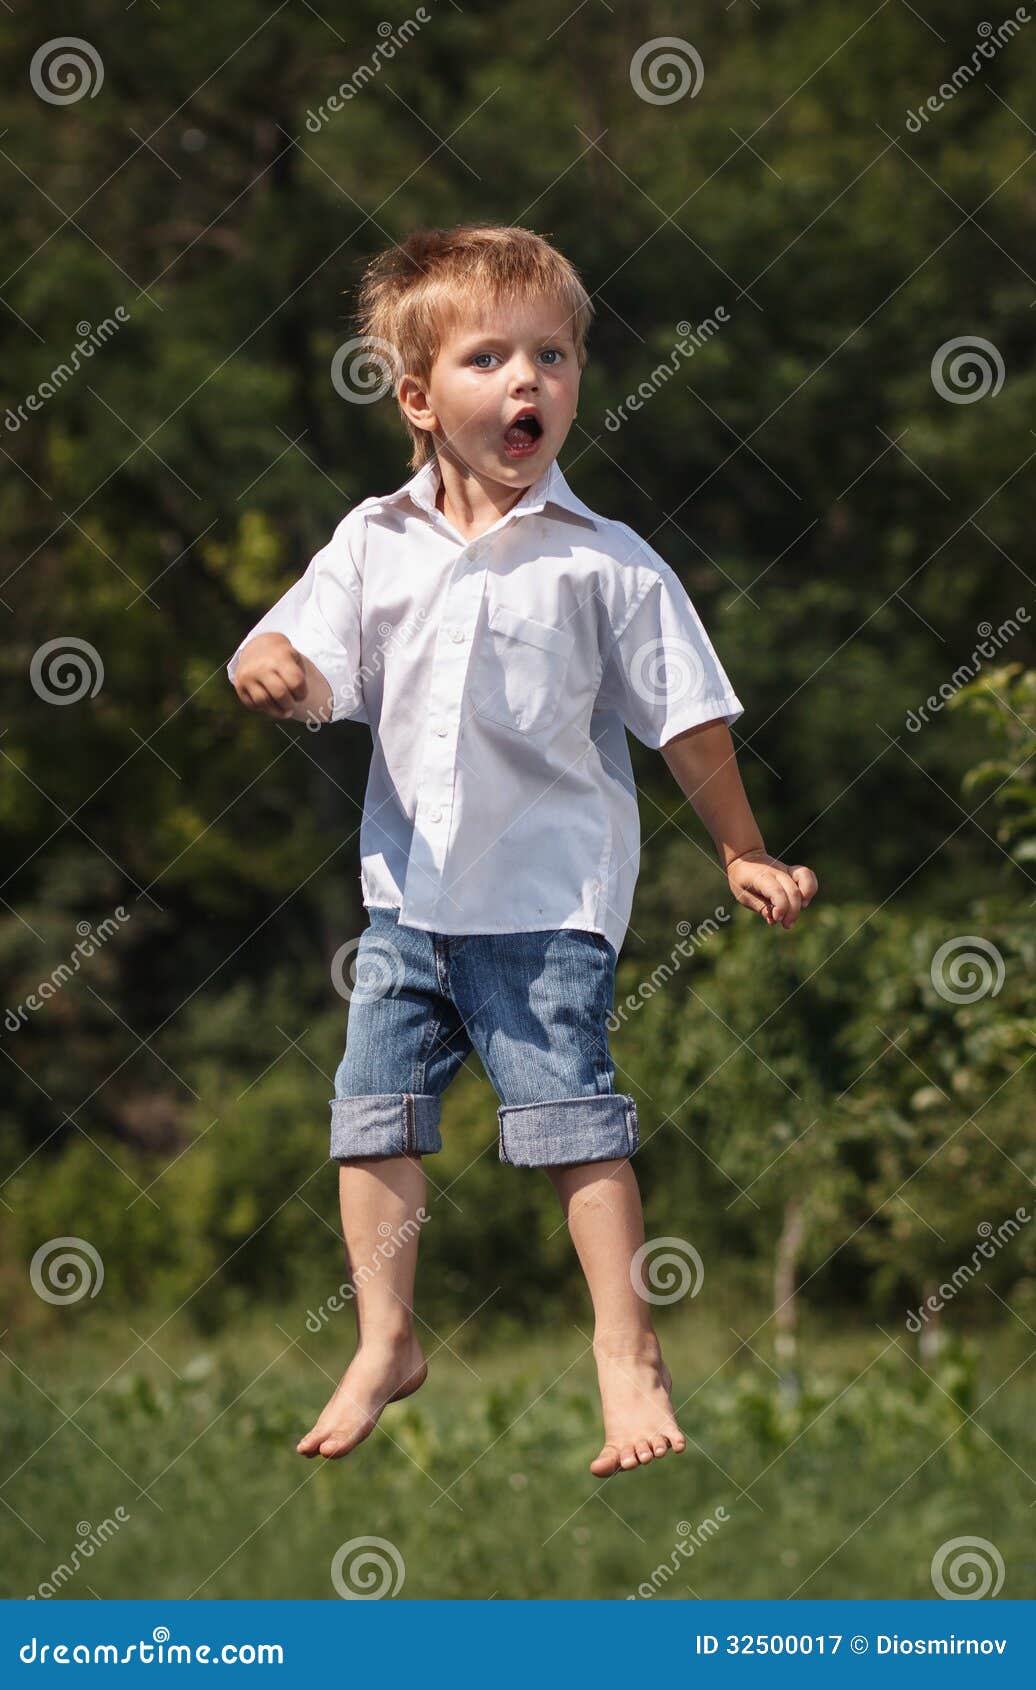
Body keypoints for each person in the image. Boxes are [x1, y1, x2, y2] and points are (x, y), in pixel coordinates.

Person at [227, 223, 818, 1478]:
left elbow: (688, 719)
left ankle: (627, 1354)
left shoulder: (607, 564)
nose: (526, 382)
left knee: (569, 1123)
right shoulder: (372, 541)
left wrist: (741, 851)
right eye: (487, 356)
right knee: (368, 1115)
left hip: (548, 905)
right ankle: (384, 1334)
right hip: (408, 901)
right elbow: (296, 649)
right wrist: (265, 666)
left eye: (551, 355)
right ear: (416, 397)